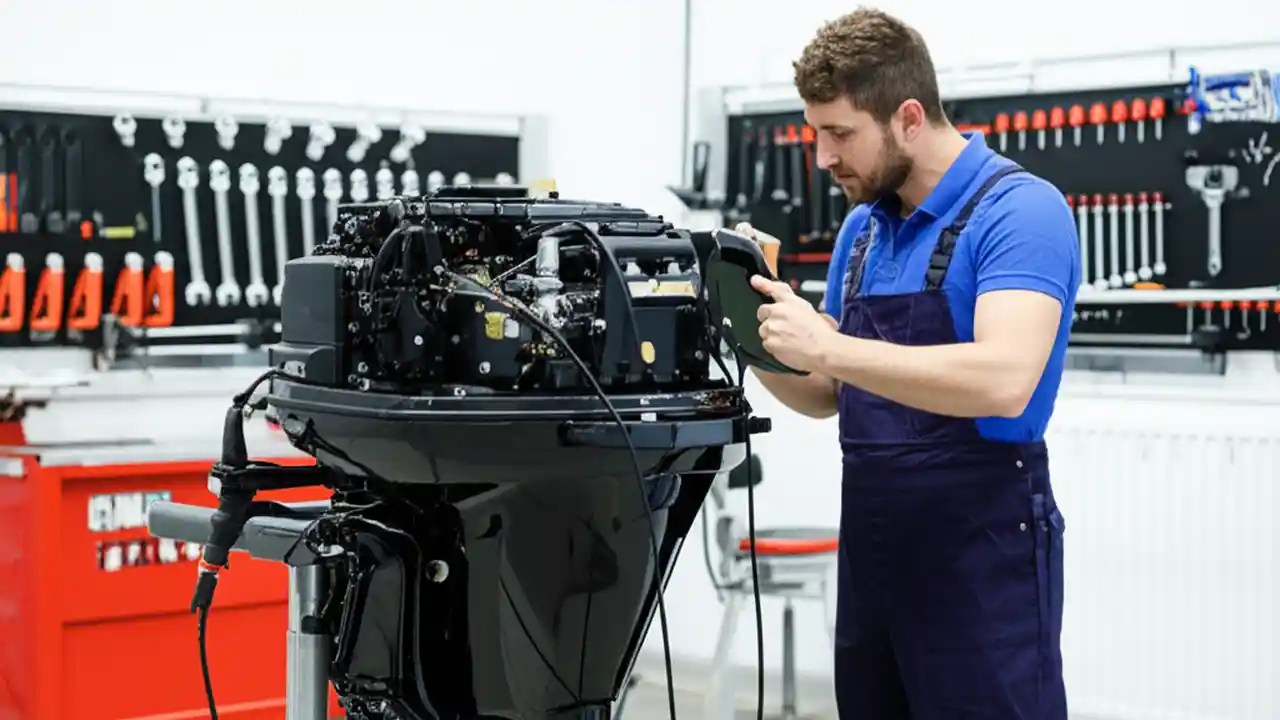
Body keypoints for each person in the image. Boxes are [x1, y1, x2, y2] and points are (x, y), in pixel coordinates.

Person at [735, 8, 1079, 719]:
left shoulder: (1021, 212)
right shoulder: (863, 229)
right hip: (876, 555)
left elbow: (1004, 380)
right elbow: (829, 390)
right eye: (815, 134)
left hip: (983, 560)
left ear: (910, 117)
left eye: (839, 134)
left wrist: (829, 343)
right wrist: (742, 325)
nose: (823, 158)